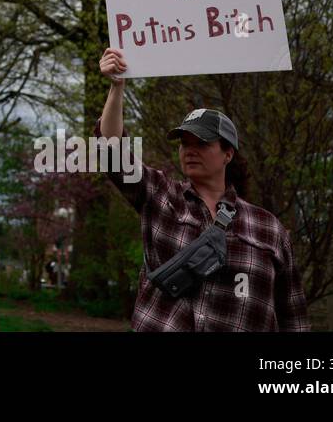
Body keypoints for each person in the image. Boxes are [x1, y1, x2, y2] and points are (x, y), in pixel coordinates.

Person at [97, 46, 309, 331]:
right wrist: (117, 88)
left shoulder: (269, 228)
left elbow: (293, 318)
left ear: (228, 154)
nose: (190, 150)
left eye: (202, 143)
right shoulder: (161, 197)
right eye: (184, 143)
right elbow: (112, 154)